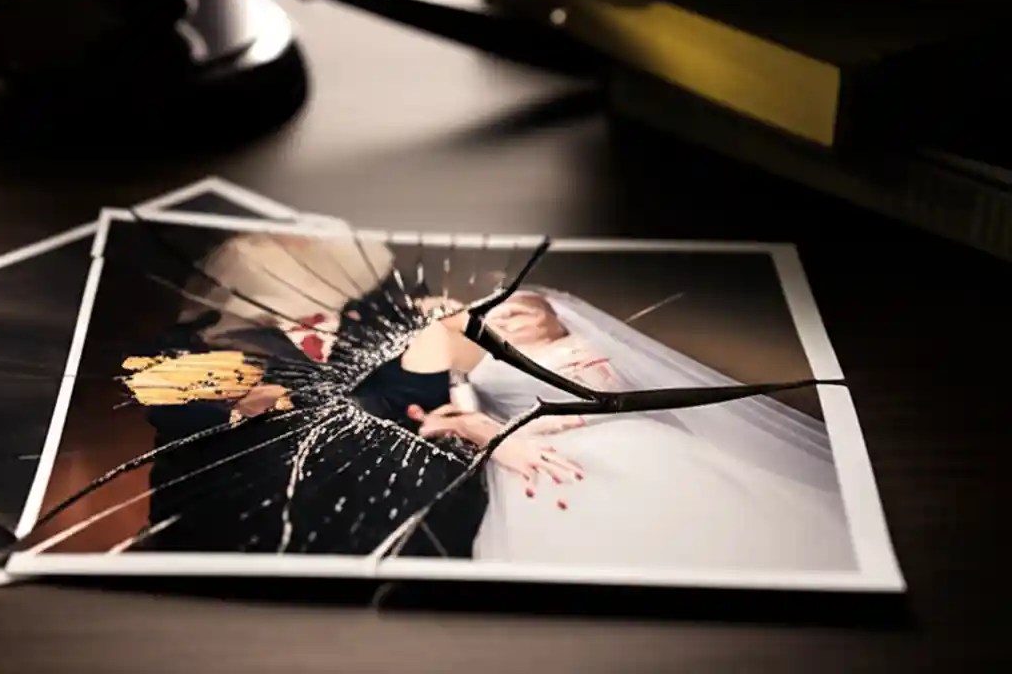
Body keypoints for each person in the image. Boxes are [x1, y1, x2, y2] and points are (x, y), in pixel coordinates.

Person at [411, 288, 857, 571]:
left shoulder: (578, 349)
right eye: (500, 316)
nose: (508, 318)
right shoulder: (478, 369)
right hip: (524, 472)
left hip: (607, 446)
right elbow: (461, 407)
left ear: (558, 317)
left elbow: (593, 398)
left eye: (524, 310)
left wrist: (504, 432)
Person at [129, 228, 489, 557]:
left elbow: (417, 401)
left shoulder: (383, 338)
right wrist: (236, 408)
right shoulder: (202, 344)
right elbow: (164, 401)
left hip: (388, 545)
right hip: (232, 545)